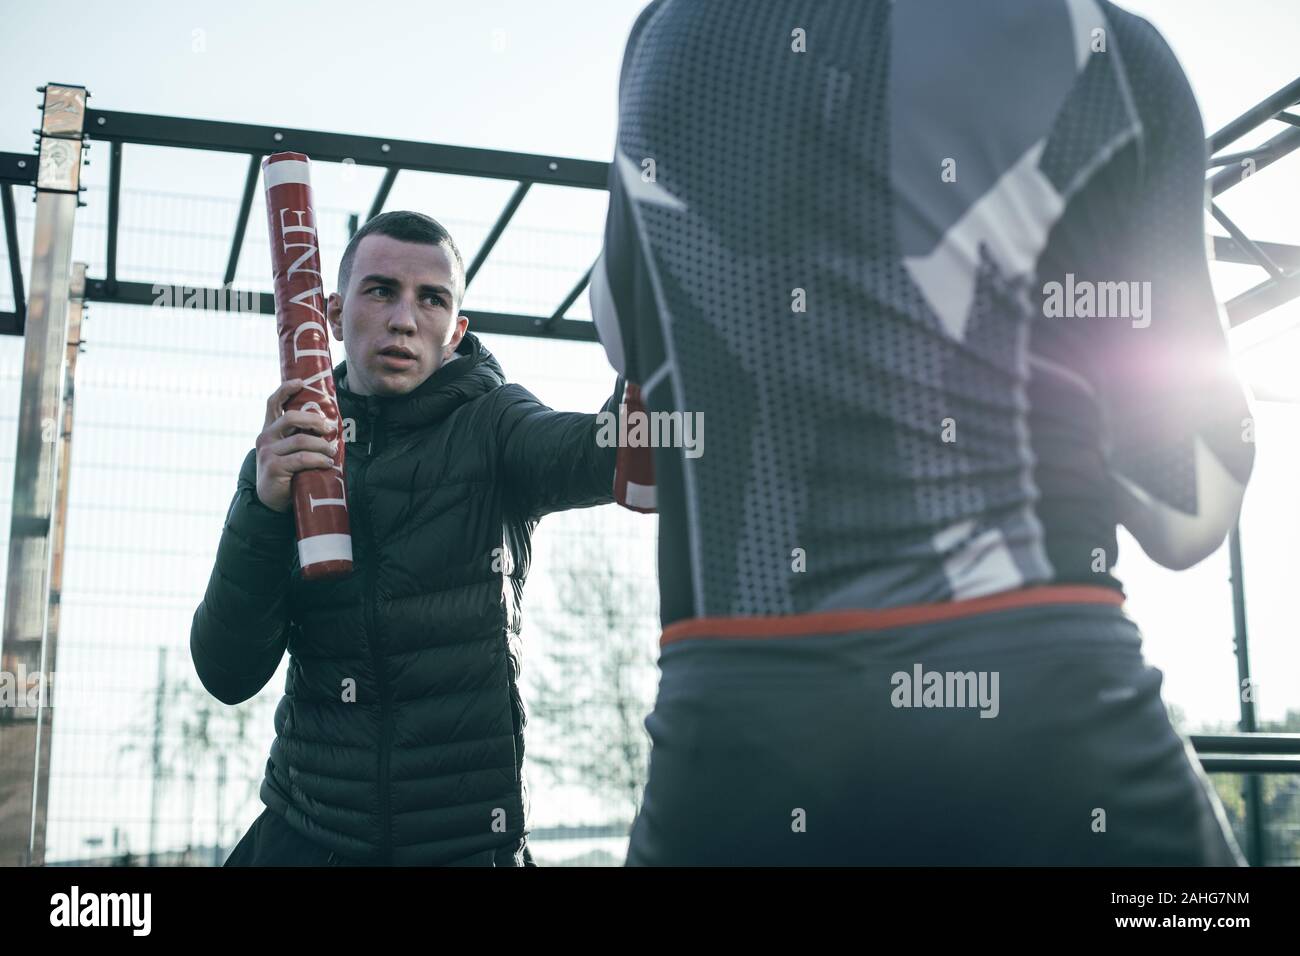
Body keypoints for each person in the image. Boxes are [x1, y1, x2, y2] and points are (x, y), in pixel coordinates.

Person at [592, 0, 1255, 864]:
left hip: (737, 723)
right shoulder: (1108, 44)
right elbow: (1189, 510)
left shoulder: (664, 32)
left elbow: (624, 329)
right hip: (1038, 700)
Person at [194, 210, 621, 866]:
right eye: (381, 290)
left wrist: (655, 339)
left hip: (465, 846)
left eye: (433, 299)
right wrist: (261, 505)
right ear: (333, 314)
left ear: (456, 332)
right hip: (309, 833)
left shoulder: (496, 424)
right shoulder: (291, 452)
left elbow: (609, 456)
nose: (404, 318)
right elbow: (226, 672)